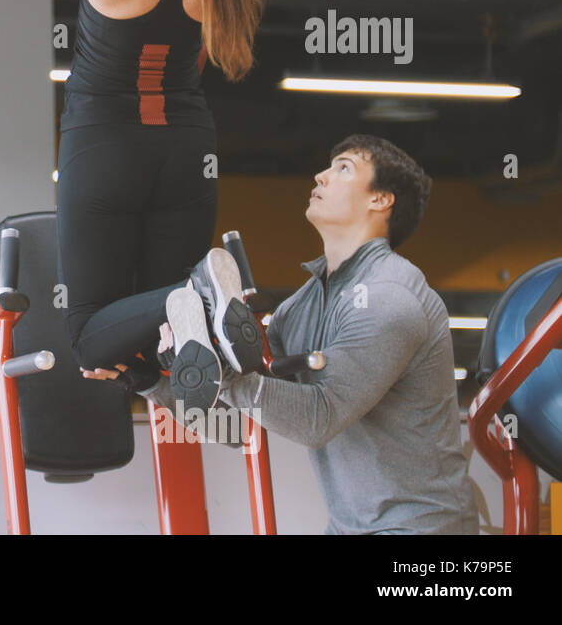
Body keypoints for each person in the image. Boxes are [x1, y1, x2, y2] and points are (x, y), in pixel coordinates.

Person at [84, 134, 480, 535]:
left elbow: (318, 419)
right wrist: (154, 384)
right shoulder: (301, 307)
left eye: (343, 167)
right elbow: (238, 429)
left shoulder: (389, 297)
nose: (321, 175)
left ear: (381, 200)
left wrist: (229, 374)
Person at [17, 0, 268, 395]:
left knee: (85, 334)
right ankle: (202, 296)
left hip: (106, 148)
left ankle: (204, 293)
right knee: (160, 342)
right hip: (185, 151)